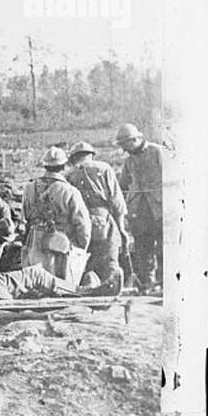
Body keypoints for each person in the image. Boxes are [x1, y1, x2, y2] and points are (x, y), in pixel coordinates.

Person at [22, 146, 92, 286]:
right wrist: (79, 248)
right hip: (60, 246)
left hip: (34, 243)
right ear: (64, 166)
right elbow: (83, 225)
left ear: (44, 165)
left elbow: (25, 217)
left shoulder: (29, 189)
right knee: (60, 287)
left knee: (35, 283)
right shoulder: (70, 191)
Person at [66, 140, 129, 290]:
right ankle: (111, 288)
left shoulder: (69, 175)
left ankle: (87, 286)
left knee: (84, 259)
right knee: (109, 257)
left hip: (78, 220)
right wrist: (121, 229)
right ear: (91, 156)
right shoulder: (104, 168)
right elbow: (117, 201)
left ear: (74, 158)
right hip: (104, 217)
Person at [116, 122, 166, 293]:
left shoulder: (157, 152)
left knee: (162, 247)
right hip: (139, 211)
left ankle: (163, 283)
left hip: (159, 209)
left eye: (126, 145)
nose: (124, 149)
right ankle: (147, 283)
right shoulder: (129, 161)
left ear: (135, 139)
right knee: (143, 248)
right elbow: (122, 185)